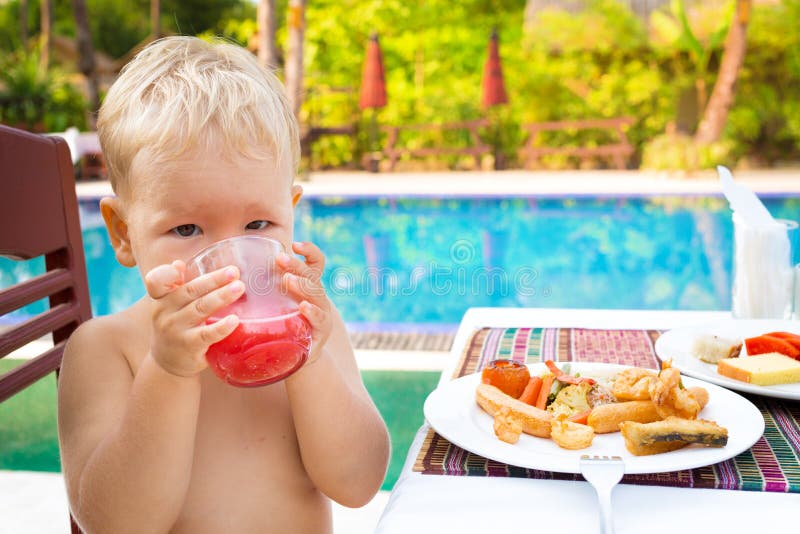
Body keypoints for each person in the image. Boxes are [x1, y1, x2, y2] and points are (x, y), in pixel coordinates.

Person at [57, 36, 390, 533]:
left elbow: (358, 483)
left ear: (290, 215)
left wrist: (309, 359)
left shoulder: (312, 327)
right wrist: (167, 372)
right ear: (124, 234)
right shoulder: (106, 350)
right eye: (187, 230)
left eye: (259, 227)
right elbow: (115, 524)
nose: (232, 267)